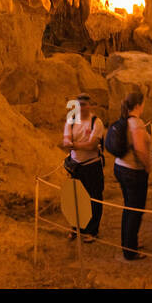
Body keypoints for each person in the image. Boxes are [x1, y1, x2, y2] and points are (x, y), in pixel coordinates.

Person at [60, 94, 106, 242]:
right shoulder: (71, 121)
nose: (82, 107)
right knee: (75, 198)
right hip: (76, 166)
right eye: (79, 104)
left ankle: (92, 230)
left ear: (90, 105)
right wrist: (80, 145)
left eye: (85, 104)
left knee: (94, 198)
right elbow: (65, 140)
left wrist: (74, 144)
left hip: (91, 165)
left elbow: (92, 145)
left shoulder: (96, 122)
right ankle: (75, 227)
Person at [113, 91, 152, 261]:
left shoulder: (124, 120)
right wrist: (147, 166)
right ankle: (130, 250)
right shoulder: (136, 123)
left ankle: (129, 242)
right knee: (135, 210)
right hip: (133, 171)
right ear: (138, 105)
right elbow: (139, 148)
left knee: (129, 207)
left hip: (120, 166)